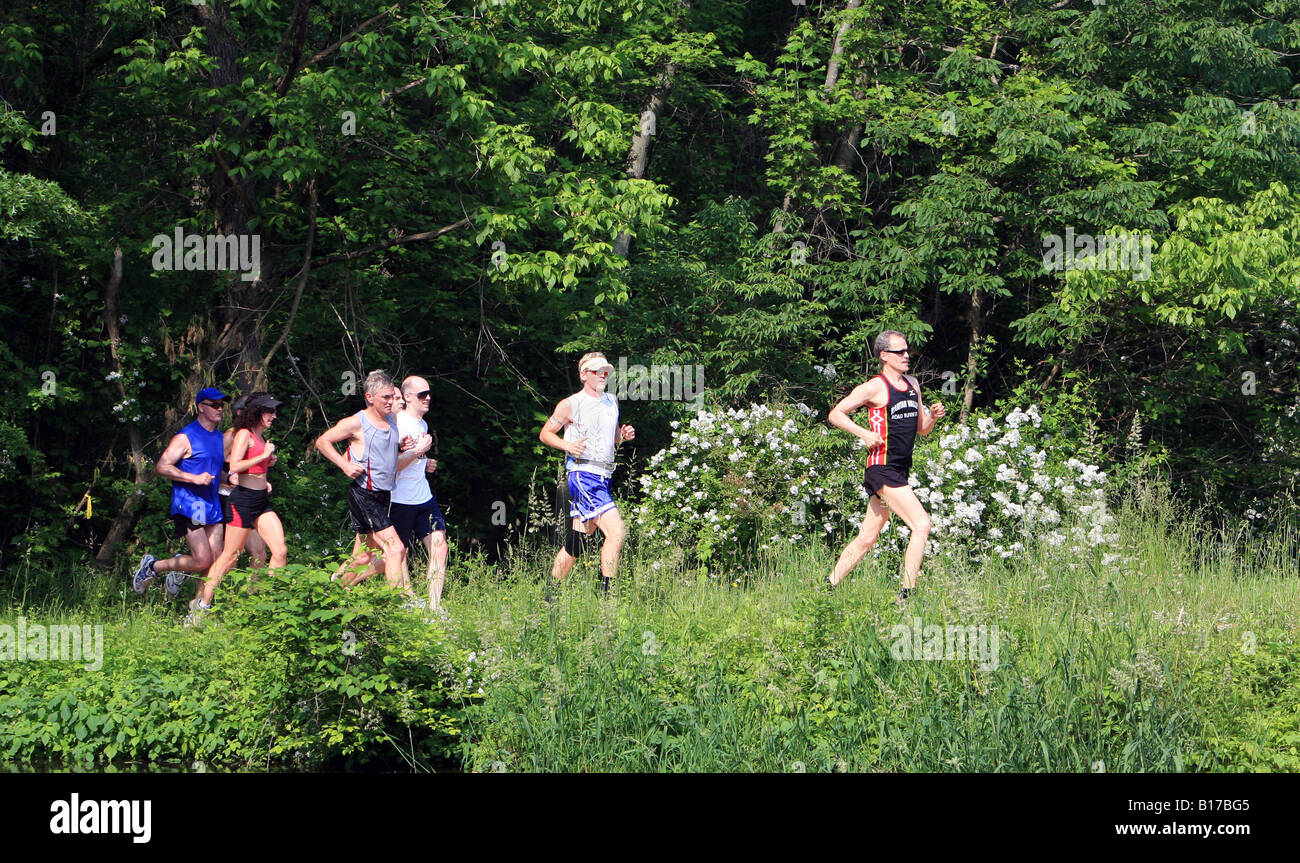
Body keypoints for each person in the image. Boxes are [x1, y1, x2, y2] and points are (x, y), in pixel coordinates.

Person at [826, 330, 946, 599]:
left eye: (907, 351)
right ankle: (907, 595)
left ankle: (828, 586)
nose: (906, 356)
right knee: (922, 524)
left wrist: (933, 417)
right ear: (884, 356)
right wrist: (864, 434)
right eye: (899, 352)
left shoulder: (913, 384)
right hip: (882, 469)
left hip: (900, 470)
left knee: (868, 536)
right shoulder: (875, 386)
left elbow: (922, 430)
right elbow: (835, 414)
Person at [188, 393, 289, 624]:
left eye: (274, 411)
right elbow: (234, 465)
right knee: (230, 556)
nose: (274, 416)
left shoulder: (261, 437)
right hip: (242, 500)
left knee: (279, 551)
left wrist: (267, 462)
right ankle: (201, 606)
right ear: (256, 412)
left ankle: (268, 606)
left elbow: (253, 466)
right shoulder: (243, 434)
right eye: (269, 411)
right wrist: (262, 456)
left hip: (262, 500)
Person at [539, 352, 635, 595]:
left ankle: (549, 594)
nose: (603, 374)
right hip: (583, 475)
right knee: (616, 531)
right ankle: (607, 598)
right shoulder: (571, 403)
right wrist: (567, 446)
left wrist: (622, 436)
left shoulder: (611, 401)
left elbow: (610, 438)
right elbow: (546, 433)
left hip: (604, 475)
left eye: (606, 371)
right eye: (597, 371)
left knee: (578, 542)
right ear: (583, 375)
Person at [314, 370, 417, 592]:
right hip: (364, 493)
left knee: (363, 557)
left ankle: (332, 591)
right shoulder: (356, 422)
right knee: (396, 549)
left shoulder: (391, 420)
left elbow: (380, 450)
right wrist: (344, 465)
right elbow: (323, 442)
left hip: (383, 495)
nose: (391, 402)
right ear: (370, 397)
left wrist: (400, 447)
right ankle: (396, 606)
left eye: (393, 396)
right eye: (386, 397)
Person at [134, 388, 228, 600]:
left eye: (222, 405)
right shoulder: (186, 436)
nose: (220, 409)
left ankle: (198, 611)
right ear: (201, 407)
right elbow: (162, 466)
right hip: (191, 503)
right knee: (203, 560)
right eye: (214, 405)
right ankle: (153, 566)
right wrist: (193, 478)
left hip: (211, 503)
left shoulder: (218, 437)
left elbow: (213, 469)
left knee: (215, 559)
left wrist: (229, 478)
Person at [392, 376, 449, 609]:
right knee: (399, 553)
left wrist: (424, 462)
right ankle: (407, 602)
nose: (428, 398)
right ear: (407, 397)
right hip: (399, 498)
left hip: (423, 496)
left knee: (440, 545)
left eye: (429, 393)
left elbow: (413, 459)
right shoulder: (397, 424)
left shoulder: (422, 425)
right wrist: (418, 452)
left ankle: (434, 608)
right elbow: (391, 465)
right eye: (422, 395)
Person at [220, 393, 269, 571]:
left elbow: (252, 467)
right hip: (227, 497)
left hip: (251, 497)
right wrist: (228, 477)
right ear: (241, 412)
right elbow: (212, 465)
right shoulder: (231, 436)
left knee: (260, 553)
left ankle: (253, 596)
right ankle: (203, 596)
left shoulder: (257, 436)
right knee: (227, 555)